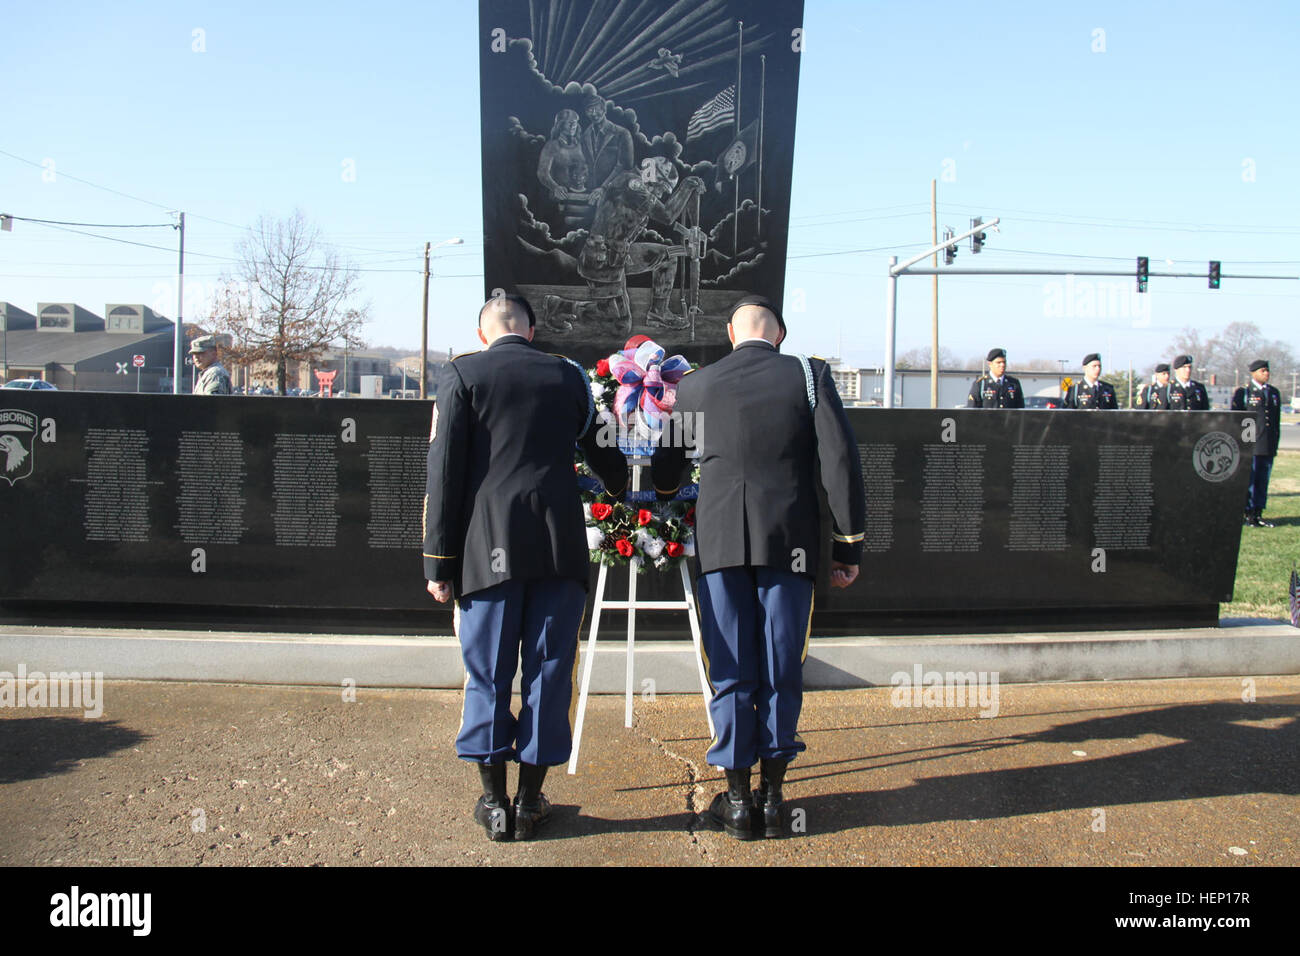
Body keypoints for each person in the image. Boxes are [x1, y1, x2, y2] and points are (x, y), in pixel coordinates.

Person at [651, 295, 866, 840]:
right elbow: (840, 460)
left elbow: (668, 467)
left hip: (721, 540)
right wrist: (848, 545)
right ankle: (774, 798)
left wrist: (668, 490)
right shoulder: (808, 375)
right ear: (780, 334)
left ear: (730, 334)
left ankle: (739, 800)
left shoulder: (696, 385)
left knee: (729, 665)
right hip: (789, 540)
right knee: (781, 662)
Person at [423, 294, 627, 842]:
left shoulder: (464, 374)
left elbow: (443, 474)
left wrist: (438, 563)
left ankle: (494, 805)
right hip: (558, 546)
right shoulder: (566, 377)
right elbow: (601, 443)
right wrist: (622, 488)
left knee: (488, 670)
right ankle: (532, 801)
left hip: (486, 547)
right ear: (532, 331)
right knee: (548, 670)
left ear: (483, 332)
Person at [1230, 359, 1283, 527]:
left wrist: (1274, 441)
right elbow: (1237, 419)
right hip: (1251, 443)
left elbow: (1275, 420)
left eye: (1267, 371)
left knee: (1263, 480)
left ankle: (1259, 512)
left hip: (1268, 443)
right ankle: (1248, 513)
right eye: (1262, 371)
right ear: (1253, 373)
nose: (1266, 374)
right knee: (1250, 481)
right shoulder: (1245, 392)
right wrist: (1244, 443)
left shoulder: (1273, 392)